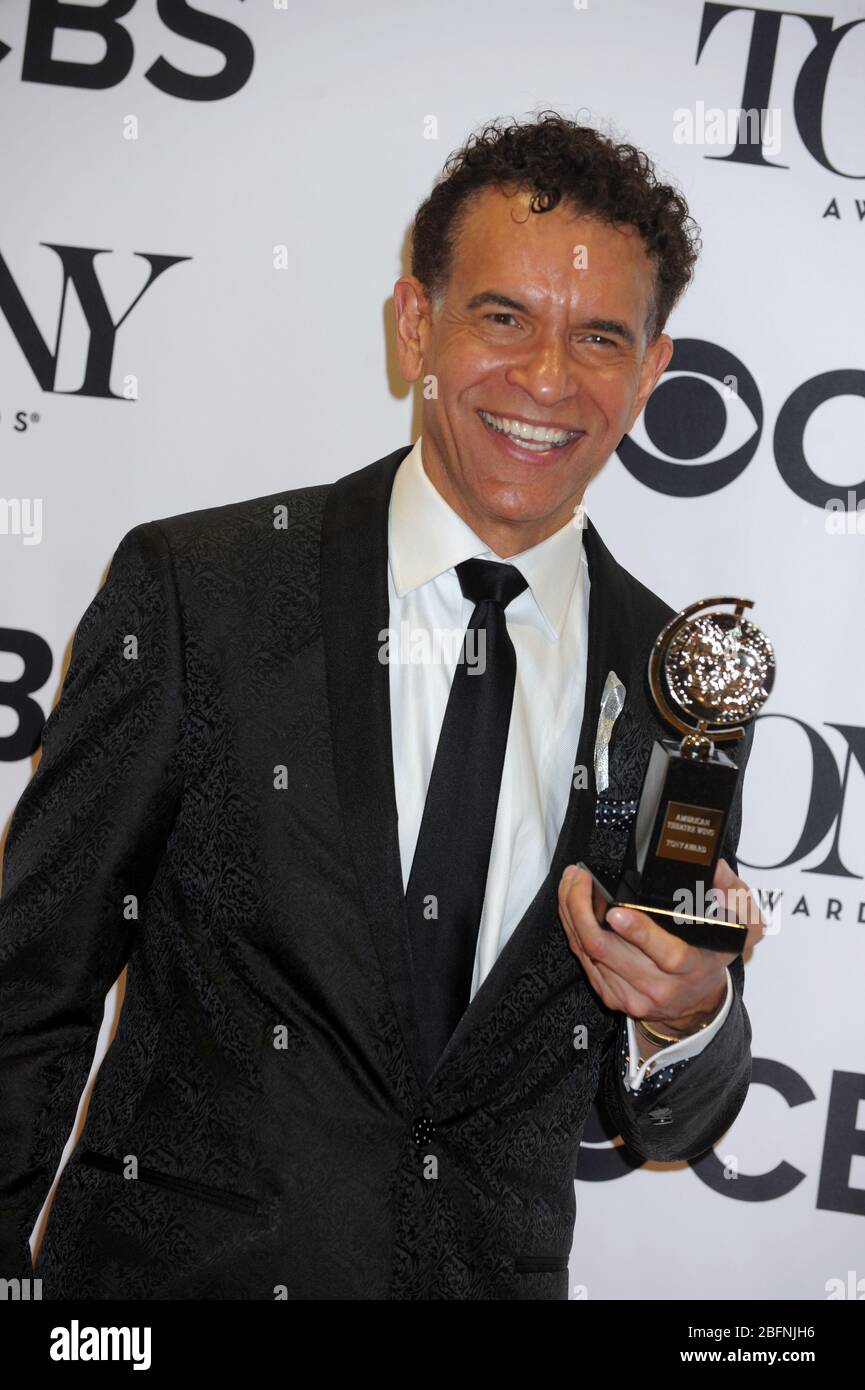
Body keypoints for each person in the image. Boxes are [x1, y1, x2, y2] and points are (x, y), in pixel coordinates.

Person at [0, 111, 765, 1301]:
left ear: (653, 372)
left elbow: (663, 1125)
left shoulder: (678, 680)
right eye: (502, 316)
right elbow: (27, 992)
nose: (548, 380)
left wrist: (690, 1010)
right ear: (417, 326)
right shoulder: (203, 594)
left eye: (600, 336)